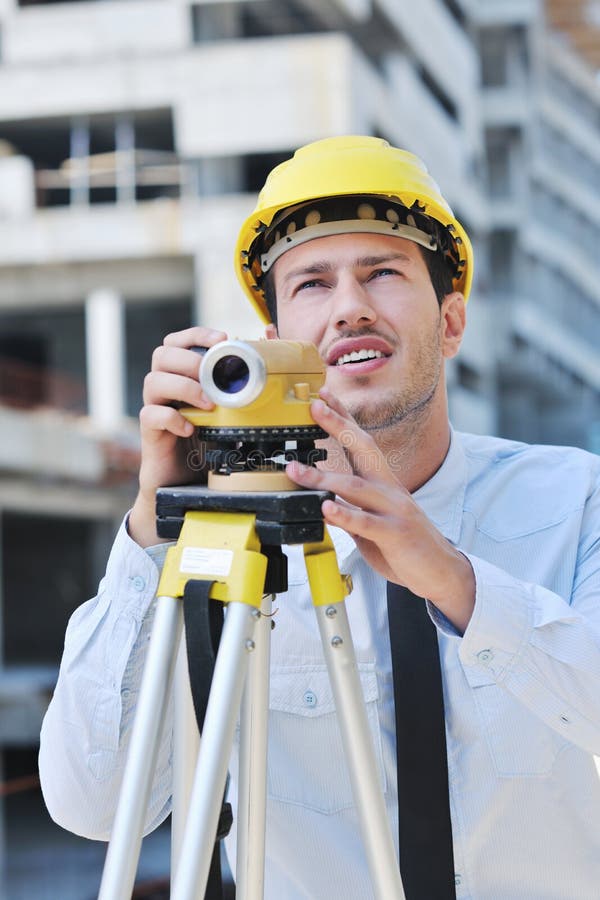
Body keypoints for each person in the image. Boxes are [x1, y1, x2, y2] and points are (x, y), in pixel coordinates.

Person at [39, 135, 600, 899]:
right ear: (273, 347)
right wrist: (154, 527)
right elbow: (94, 804)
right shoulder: (228, 550)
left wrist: (454, 581)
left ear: (453, 321)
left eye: (383, 273)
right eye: (312, 284)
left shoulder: (575, 499)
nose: (349, 308)